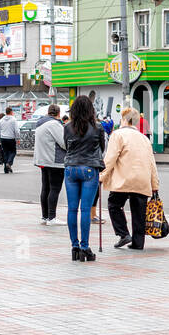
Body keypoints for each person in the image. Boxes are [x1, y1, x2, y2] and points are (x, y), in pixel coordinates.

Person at [102, 107, 160, 251]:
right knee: (139, 212)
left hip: (124, 179)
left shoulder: (118, 135)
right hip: (142, 181)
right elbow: (152, 163)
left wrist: (101, 175)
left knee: (114, 205)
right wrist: (154, 184)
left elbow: (110, 158)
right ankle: (138, 243)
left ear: (124, 119)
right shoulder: (144, 138)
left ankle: (123, 233)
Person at [63, 95, 105, 261]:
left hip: (71, 169)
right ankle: (85, 246)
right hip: (89, 168)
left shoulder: (67, 127)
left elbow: (67, 146)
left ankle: (74, 246)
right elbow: (102, 148)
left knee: (72, 209)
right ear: (90, 110)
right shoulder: (98, 127)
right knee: (85, 210)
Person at [34, 104, 67, 225]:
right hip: (55, 160)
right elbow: (64, 142)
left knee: (46, 188)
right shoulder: (54, 124)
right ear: (58, 114)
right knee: (54, 189)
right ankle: (52, 218)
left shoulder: (40, 123)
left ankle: (45, 216)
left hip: (43, 160)